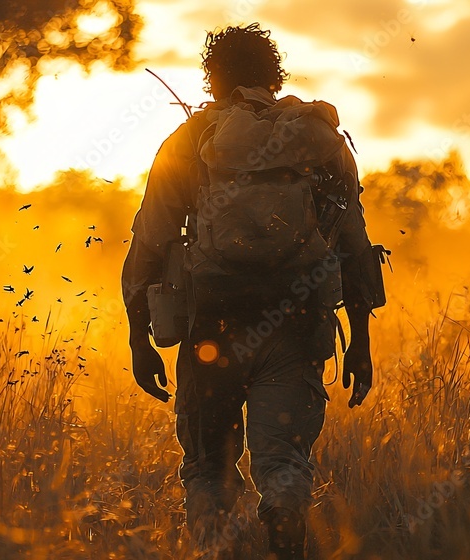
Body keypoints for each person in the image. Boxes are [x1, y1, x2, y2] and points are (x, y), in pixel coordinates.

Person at [121, 23, 378, 559]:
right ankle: (285, 534)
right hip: (297, 323)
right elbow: (354, 246)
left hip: (212, 324)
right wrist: (360, 343)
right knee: (283, 463)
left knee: (209, 468)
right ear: (274, 72)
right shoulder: (319, 139)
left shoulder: (192, 139)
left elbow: (151, 238)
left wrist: (138, 339)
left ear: (213, 77)